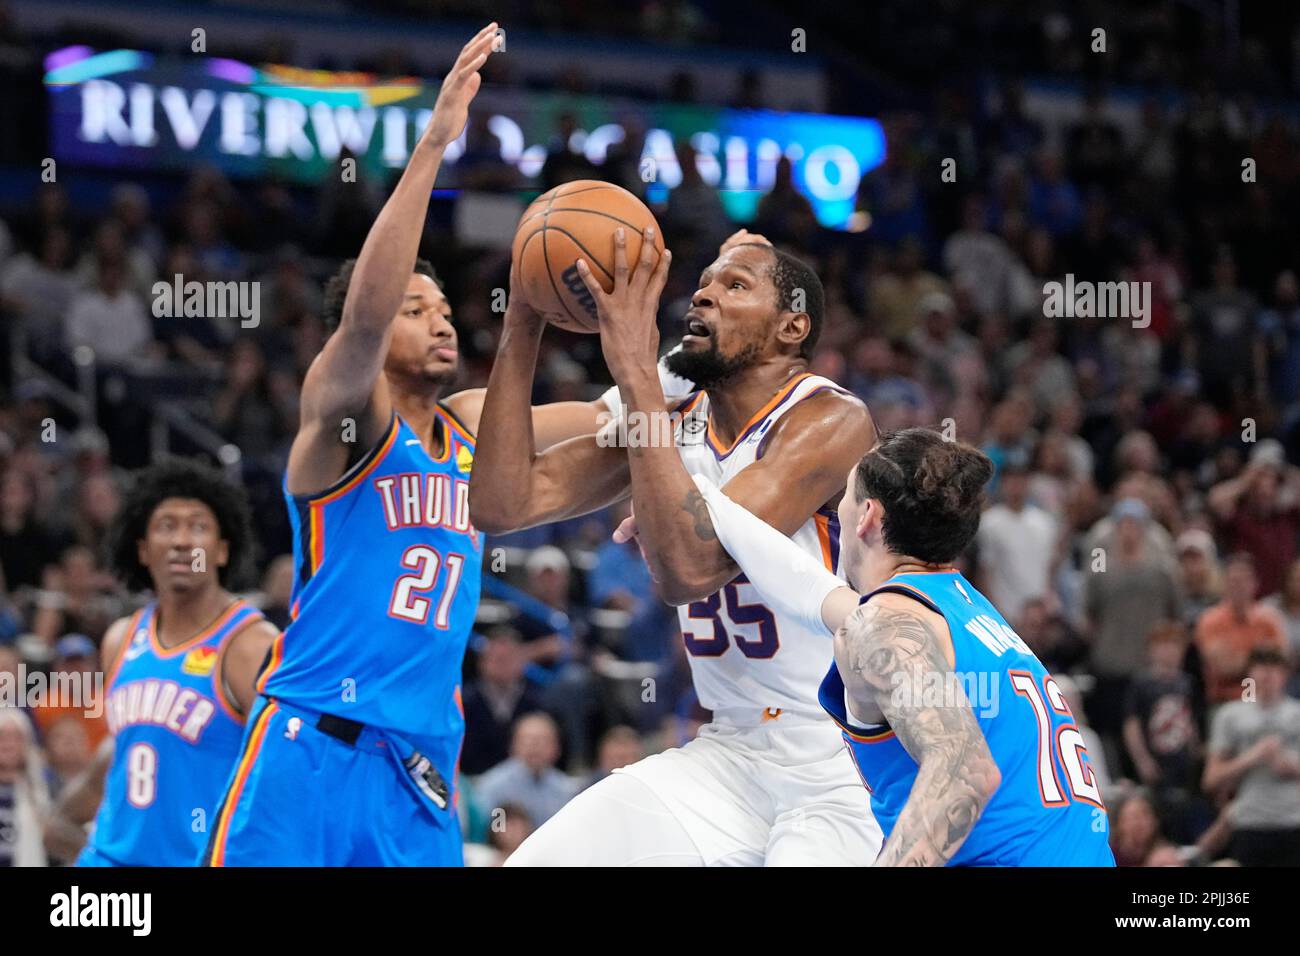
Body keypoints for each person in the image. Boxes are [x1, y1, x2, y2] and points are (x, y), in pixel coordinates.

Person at [202, 24, 611, 867]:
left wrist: (677, 368)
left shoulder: (469, 428)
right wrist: (435, 141)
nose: (440, 319)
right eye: (416, 308)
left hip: (421, 769)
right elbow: (361, 316)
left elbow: (609, 422)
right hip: (311, 746)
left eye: (444, 309)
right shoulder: (346, 420)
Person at [473, 228, 884, 865]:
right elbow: (503, 504)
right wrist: (525, 320)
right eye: (704, 284)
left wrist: (636, 371)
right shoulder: (672, 420)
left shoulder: (829, 419)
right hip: (730, 751)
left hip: (841, 762)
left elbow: (691, 569)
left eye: (735, 285)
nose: (704, 296)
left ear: (792, 328)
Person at [690, 428, 1114, 865]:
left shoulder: (885, 623)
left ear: (867, 515)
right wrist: (705, 503)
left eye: (845, 496)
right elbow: (807, 588)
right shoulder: (954, 608)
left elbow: (965, 773)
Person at [48, 458, 278, 866]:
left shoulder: (251, 645)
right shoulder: (121, 638)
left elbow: (285, 776)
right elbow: (127, 746)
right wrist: (62, 816)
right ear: (142, 549)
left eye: (199, 526)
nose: (182, 541)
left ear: (223, 550)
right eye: (166, 526)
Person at [1202, 647, 1300, 866]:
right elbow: (1210, 779)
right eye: (1261, 669)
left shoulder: (1297, 714)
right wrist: (1252, 757)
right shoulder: (1231, 715)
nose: (1267, 676)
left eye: (1274, 669)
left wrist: (1289, 765)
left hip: (1295, 821)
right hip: (1250, 822)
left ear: (1285, 675)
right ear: (1250, 675)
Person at [1195, 553, 1288, 707]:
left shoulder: (1269, 620)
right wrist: (1258, 658)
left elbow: (1279, 665)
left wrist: (1239, 659)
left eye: (1244, 580)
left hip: (1264, 701)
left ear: (1255, 583)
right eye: (1234, 581)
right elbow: (1222, 668)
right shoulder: (1210, 621)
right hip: (1224, 701)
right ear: (1224, 583)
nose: (1239, 586)